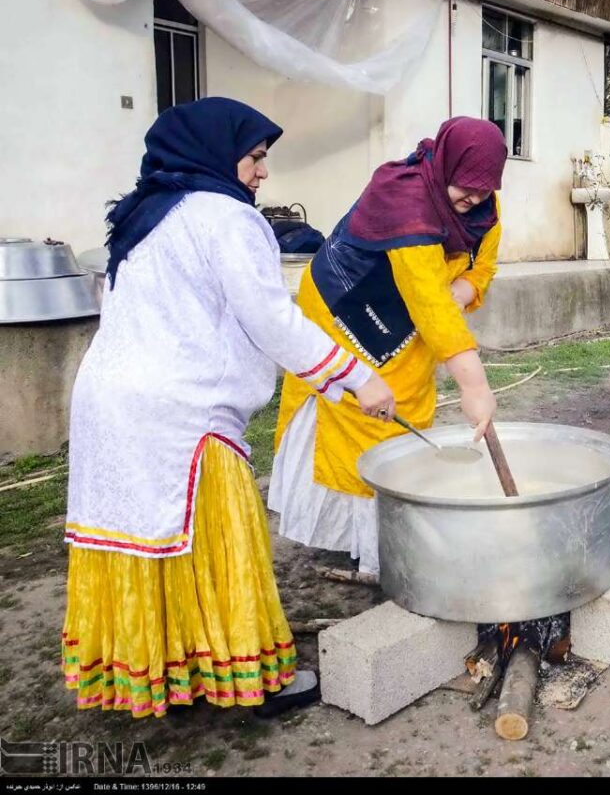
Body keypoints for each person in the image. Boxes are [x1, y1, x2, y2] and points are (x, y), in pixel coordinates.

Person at [61, 97, 396, 719]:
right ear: (220, 154)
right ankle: (248, 680)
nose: (263, 173)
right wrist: (357, 377)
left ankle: (167, 674)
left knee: (145, 543)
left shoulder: (145, 216)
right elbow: (270, 318)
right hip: (180, 412)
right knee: (217, 543)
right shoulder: (226, 217)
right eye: (256, 157)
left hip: (109, 403)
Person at [269, 117, 505, 576]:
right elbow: (428, 303)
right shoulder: (407, 199)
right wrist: (475, 387)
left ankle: (385, 527)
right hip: (347, 307)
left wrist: (465, 290)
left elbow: (482, 268)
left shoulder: (482, 210)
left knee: (409, 406)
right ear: (447, 162)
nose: (474, 199)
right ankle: (371, 544)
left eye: (483, 189)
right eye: (467, 187)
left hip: (413, 314)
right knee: (366, 412)